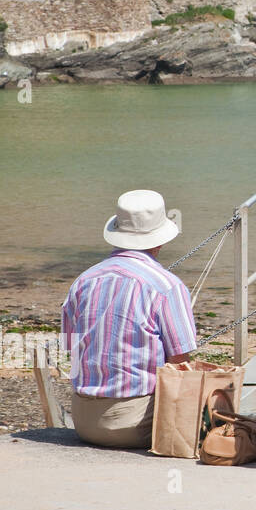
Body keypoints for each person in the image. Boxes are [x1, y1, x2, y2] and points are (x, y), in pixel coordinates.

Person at [62, 189, 197, 448]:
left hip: (83, 422)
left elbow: (71, 347)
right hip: (136, 426)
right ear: (160, 240)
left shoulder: (83, 281)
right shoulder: (166, 286)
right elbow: (180, 363)